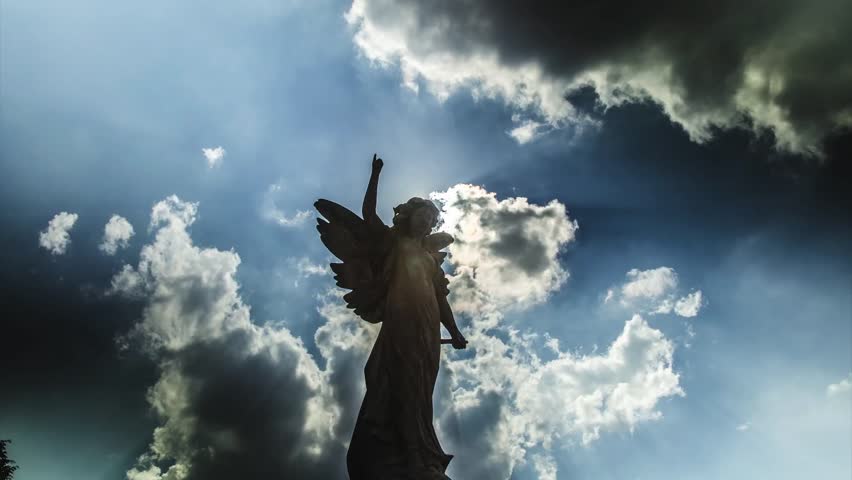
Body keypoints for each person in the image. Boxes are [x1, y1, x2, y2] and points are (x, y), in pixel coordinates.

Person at [317, 154, 466, 479]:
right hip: (402, 321)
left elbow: (440, 299)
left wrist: (453, 331)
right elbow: (368, 214)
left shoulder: (430, 259)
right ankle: (411, 456)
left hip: (427, 326)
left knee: (421, 391)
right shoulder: (392, 242)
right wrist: (375, 174)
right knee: (402, 382)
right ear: (409, 216)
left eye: (431, 219)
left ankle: (421, 453)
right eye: (422, 216)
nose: (426, 222)